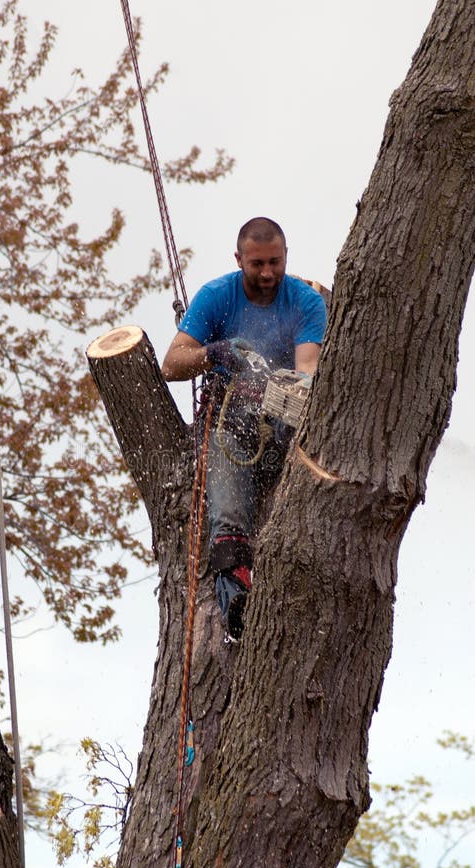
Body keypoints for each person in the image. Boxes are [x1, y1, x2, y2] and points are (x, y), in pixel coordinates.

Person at [161, 217, 327, 641]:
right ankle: (236, 598)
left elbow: (308, 366)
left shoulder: (306, 303)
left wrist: (293, 388)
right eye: (257, 264)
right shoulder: (217, 297)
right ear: (239, 260)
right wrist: (214, 352)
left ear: (286, 257)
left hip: (284, 425)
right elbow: (171, 363)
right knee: (229, 509)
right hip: (228, 425)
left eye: (275, 262)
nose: (268, 273)